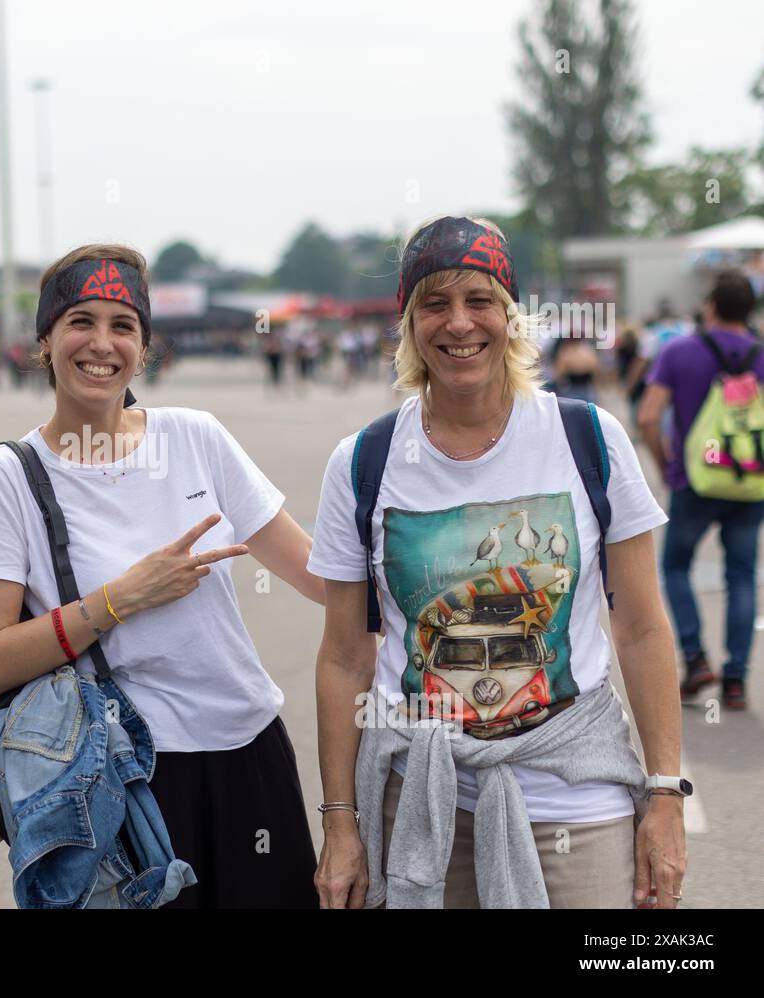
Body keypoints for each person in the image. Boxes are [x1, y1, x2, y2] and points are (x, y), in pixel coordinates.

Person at [309, 216, 688, 909]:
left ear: (511, 316)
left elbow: (640, 628)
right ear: (408, 323)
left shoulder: (586, 437)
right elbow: (343, 658)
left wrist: (664, 793)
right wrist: (341, 821)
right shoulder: (364, 461)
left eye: (480, 300)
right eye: (435, 303)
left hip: (575, 788)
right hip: (419, 795)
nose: (459, 324)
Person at [0, 244, 325, 908]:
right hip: (121, 776)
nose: (102, 343)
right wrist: (119, 599)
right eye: (80, 321)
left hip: (250, 757)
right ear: (46, 339)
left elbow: (319, 575)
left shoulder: (194, 438)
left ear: (145, 347)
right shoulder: (7, 477)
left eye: (123, 325)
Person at [638, 271, 763, 711]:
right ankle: (735, 680)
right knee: (742, 576)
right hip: (749, 482)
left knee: (674, 567)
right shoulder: (761, 354)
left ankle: (695, 659)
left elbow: (649, 416)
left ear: (710, 306)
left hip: (695, 480)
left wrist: (667, 465)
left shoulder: (680, 351)